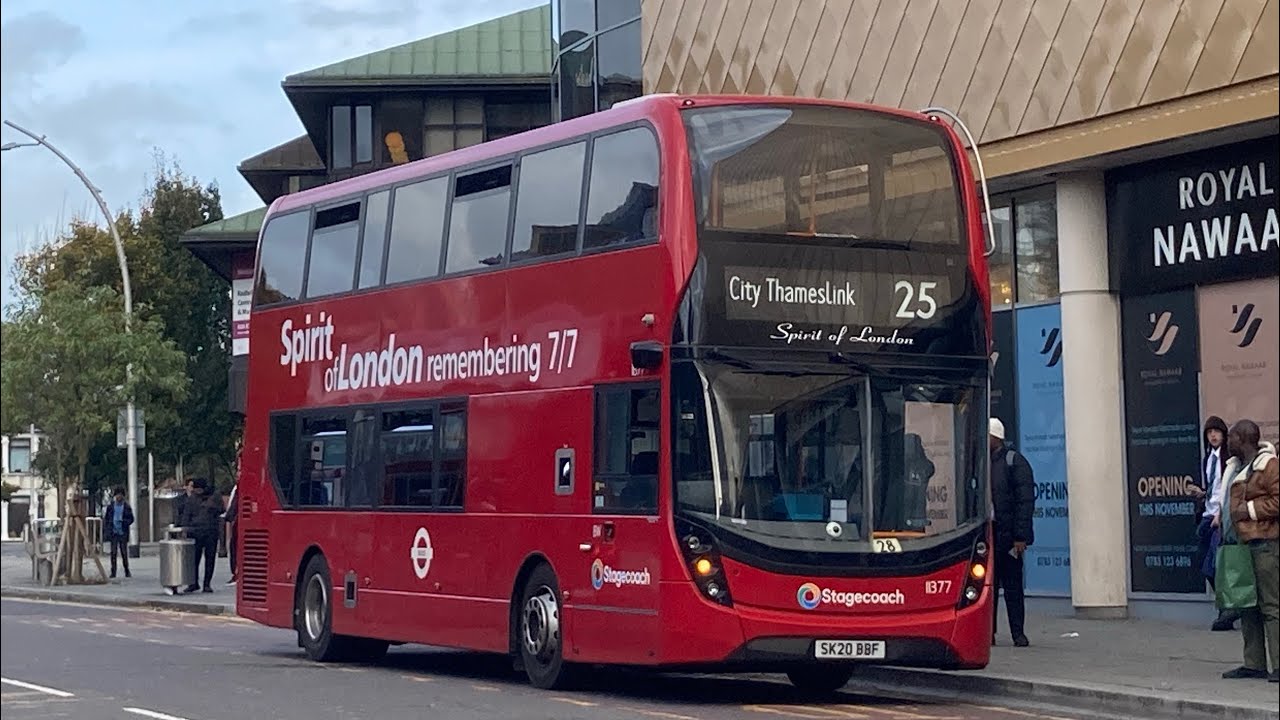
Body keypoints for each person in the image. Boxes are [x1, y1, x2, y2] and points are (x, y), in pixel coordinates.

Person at [1219, 419, 1278, 683]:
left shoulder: (1268, 465)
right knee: (1247, 604)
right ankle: (1253, 663)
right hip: (1241, 545)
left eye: (1231, 437)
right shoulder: (1235, 467)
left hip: (1265, 543)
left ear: (1243, 439)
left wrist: (1249, 511)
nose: (1227, 442)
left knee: (1271, 605)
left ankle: (1278, 664)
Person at [989, 417, 1036, 647]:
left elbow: (1024, 502)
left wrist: (1021, 536)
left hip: (1008, 536)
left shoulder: (1014, 462)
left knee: (1013, 587)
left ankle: (1018, 632)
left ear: (994, 437)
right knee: (988, 587)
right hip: (988, 535)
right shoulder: (981, 461)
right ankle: (988, 633)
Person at [1194, 416, 1239, 631]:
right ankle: (1226, 606)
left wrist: (1221, 515)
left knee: (1215, 563)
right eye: (1209, 432)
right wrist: (1201, 494)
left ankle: (1228, 608)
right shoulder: (1208, 460)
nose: (1213, 436)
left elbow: (1229, 488)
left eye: (1216, 431)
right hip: (1207, 513)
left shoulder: (1229, 459)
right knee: (1204, 563)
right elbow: (1214, 488)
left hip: (1220, 516)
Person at [180, 477, 224, 593]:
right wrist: (184, 529)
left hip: (209, 532)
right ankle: (194, 583)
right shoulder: (192, 499)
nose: (194, 490)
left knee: (209, 559)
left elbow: (221, 510)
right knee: (194, 560)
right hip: (196, 532)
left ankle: (206, 584)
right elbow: (186, 514)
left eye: (195, 488)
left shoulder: (214, 497)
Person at [101, 487, 134, 579]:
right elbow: (107, 519)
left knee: (124, 552)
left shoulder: (126, 507)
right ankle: (113, 572)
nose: (118, 497)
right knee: (113, 553)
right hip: (114, 532)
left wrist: (124, 522)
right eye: (117, 495)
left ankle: (126, 570)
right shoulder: (111, 507)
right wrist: (108, 529)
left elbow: (131, 519)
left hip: (123, 532)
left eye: (120, 495)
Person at [223, 484, 238, 585]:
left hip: (237, 521)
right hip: (235, 521)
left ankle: (236, 574)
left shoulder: (239, 488)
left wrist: (229, 516)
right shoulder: (237, 488)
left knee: (236, 548)